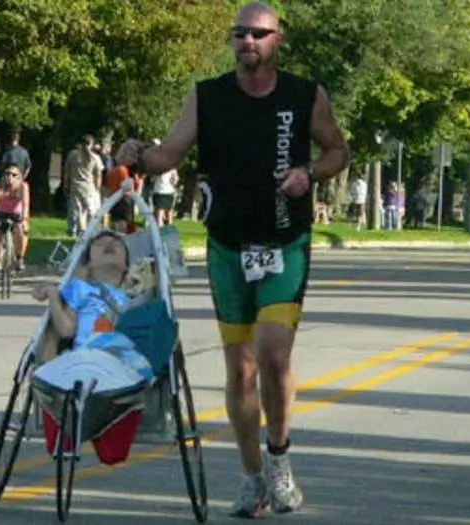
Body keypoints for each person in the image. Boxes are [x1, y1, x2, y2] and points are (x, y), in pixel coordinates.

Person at [116, 2, 350, 517]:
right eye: (240, 33)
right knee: (241, 371)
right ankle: (251, 478)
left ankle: (280, 458)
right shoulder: (207, 96)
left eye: (258, 34)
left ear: (277, 40)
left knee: (273, 352)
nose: (248, 41)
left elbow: (338, 151)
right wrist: (142, 155)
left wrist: (309, 174)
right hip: (227, 248)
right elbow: (170, 153)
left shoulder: (304, 95)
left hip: (285, 242)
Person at [32, 230, 130, 350]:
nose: (108, 245)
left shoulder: (135, 296)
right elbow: (66, 330)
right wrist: (52, 293)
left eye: (116, 244)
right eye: (100, 244)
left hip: (124, 359)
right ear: (89, 264)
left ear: (126, 265)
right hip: (87, 357)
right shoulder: (80, 287)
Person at [0, 164, 30, 283]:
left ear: (19, 177)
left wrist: (25, 219)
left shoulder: (23, 186)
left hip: (17, 215)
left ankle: (19, 257)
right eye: (7, 174)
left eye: (14, 174)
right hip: (1, 214)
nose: (10, 177)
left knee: (22, 230)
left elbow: (26, 204)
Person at [62, 135, 104, 236]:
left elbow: (67, 172)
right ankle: (90, 231)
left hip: (75, 186)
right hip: (89, 188)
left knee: (77, 211)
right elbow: (98, 176)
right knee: (90, 211)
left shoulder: (73, 154)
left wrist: (66, 185)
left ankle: (76, 230)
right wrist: (97, 189)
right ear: (92, 144)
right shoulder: (95, 158)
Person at [149, 139, 179, 226]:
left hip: (161, 191)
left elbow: (152, 178)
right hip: (168, 191)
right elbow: (175, 178)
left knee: (160, 215)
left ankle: (160, 236)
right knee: (168, 215)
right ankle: (168, 235)